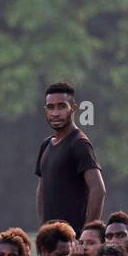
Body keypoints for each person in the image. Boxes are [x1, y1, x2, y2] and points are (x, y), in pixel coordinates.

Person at [35, 81, 106, 233]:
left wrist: (87, 234)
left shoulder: (79, 143)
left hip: (72, 242)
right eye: (50, 107)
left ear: (73, 108)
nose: (55, 113)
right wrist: (43, 230)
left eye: (61, 106)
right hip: (50, 241)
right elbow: (41, 190)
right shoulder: (46, 145)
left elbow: (98, 189)